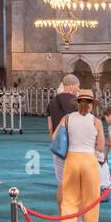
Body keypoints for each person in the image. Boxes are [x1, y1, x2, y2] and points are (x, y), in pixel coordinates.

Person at [58, 89, 105, 222]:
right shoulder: (96, 122)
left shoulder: (67, 118)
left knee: (69, 200)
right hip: (89, 161)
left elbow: (55, 138)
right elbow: (100, 147)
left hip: (71, 160)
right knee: (91, 203)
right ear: (92, 105)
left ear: (77, 103)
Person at [46, 74, 79, 209]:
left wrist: (55, 141)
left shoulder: (52, 102)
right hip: (73, 146)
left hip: (58, 146)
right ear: (71, 85)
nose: (78, 88)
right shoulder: (76, 101)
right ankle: (77, 216)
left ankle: (62, 215)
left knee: (61, 183)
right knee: (76, 183)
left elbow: (49, 126)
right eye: (77, 85)